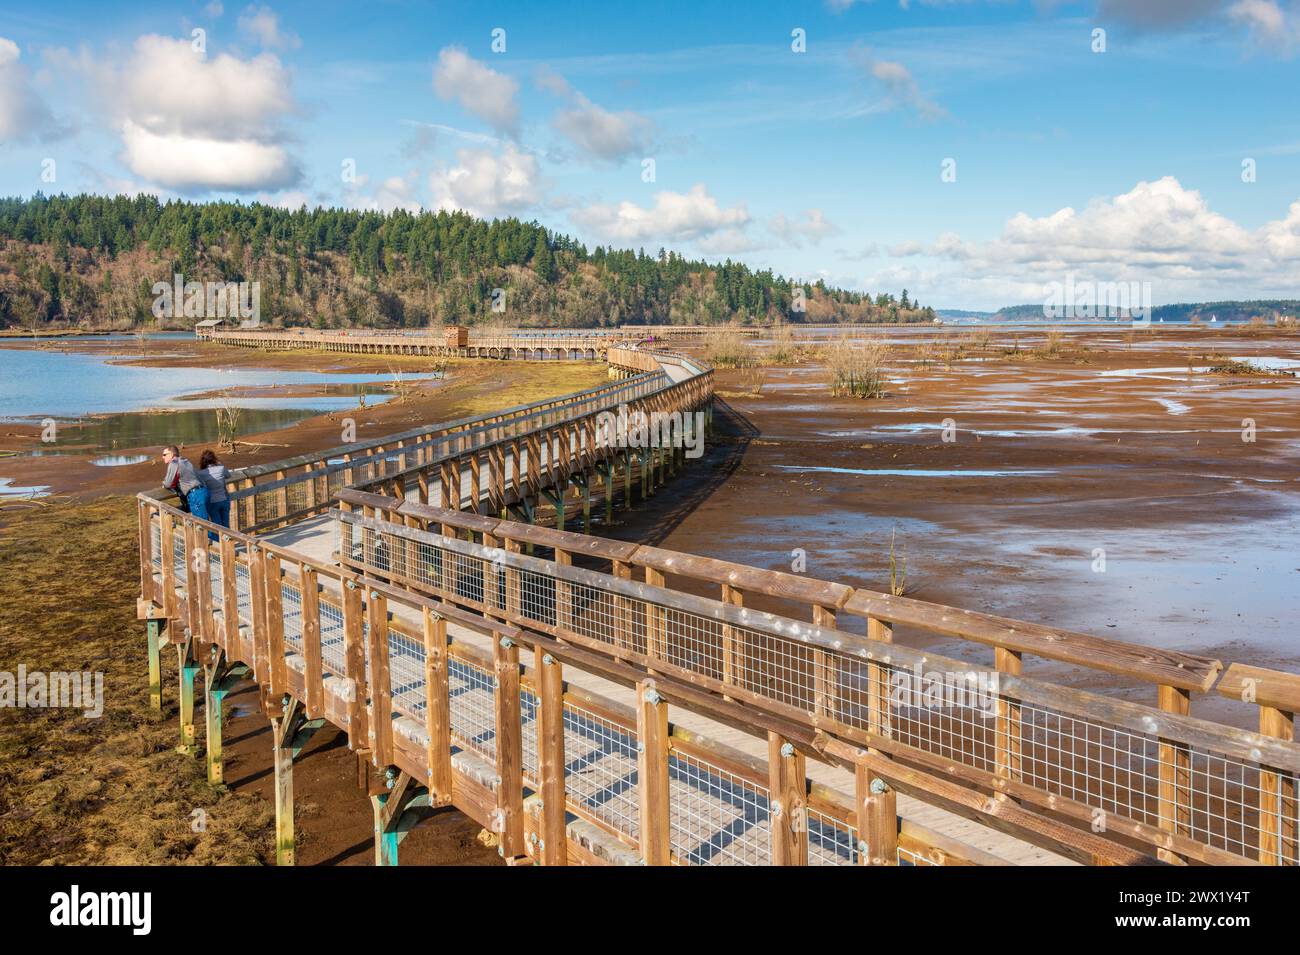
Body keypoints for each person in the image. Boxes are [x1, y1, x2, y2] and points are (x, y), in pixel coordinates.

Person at [161, 445, 209, 522]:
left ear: (171, 454)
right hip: (203, 491)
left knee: (202, 524)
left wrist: (163, 483)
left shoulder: (174, 463)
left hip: (195, 495)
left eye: (164, 455)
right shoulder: (185, 461)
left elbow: (168, 484)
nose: (163, 457)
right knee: (207, 522)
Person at [199, 449, 230, 529]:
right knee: (226, 524)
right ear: (214, 459)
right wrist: (219, 463)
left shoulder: (201, 473)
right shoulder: (221, 468)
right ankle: (227, 540)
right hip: (224, 498)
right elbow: (228, 475)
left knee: (217, 525)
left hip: (212, 501)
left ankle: (219, 540)